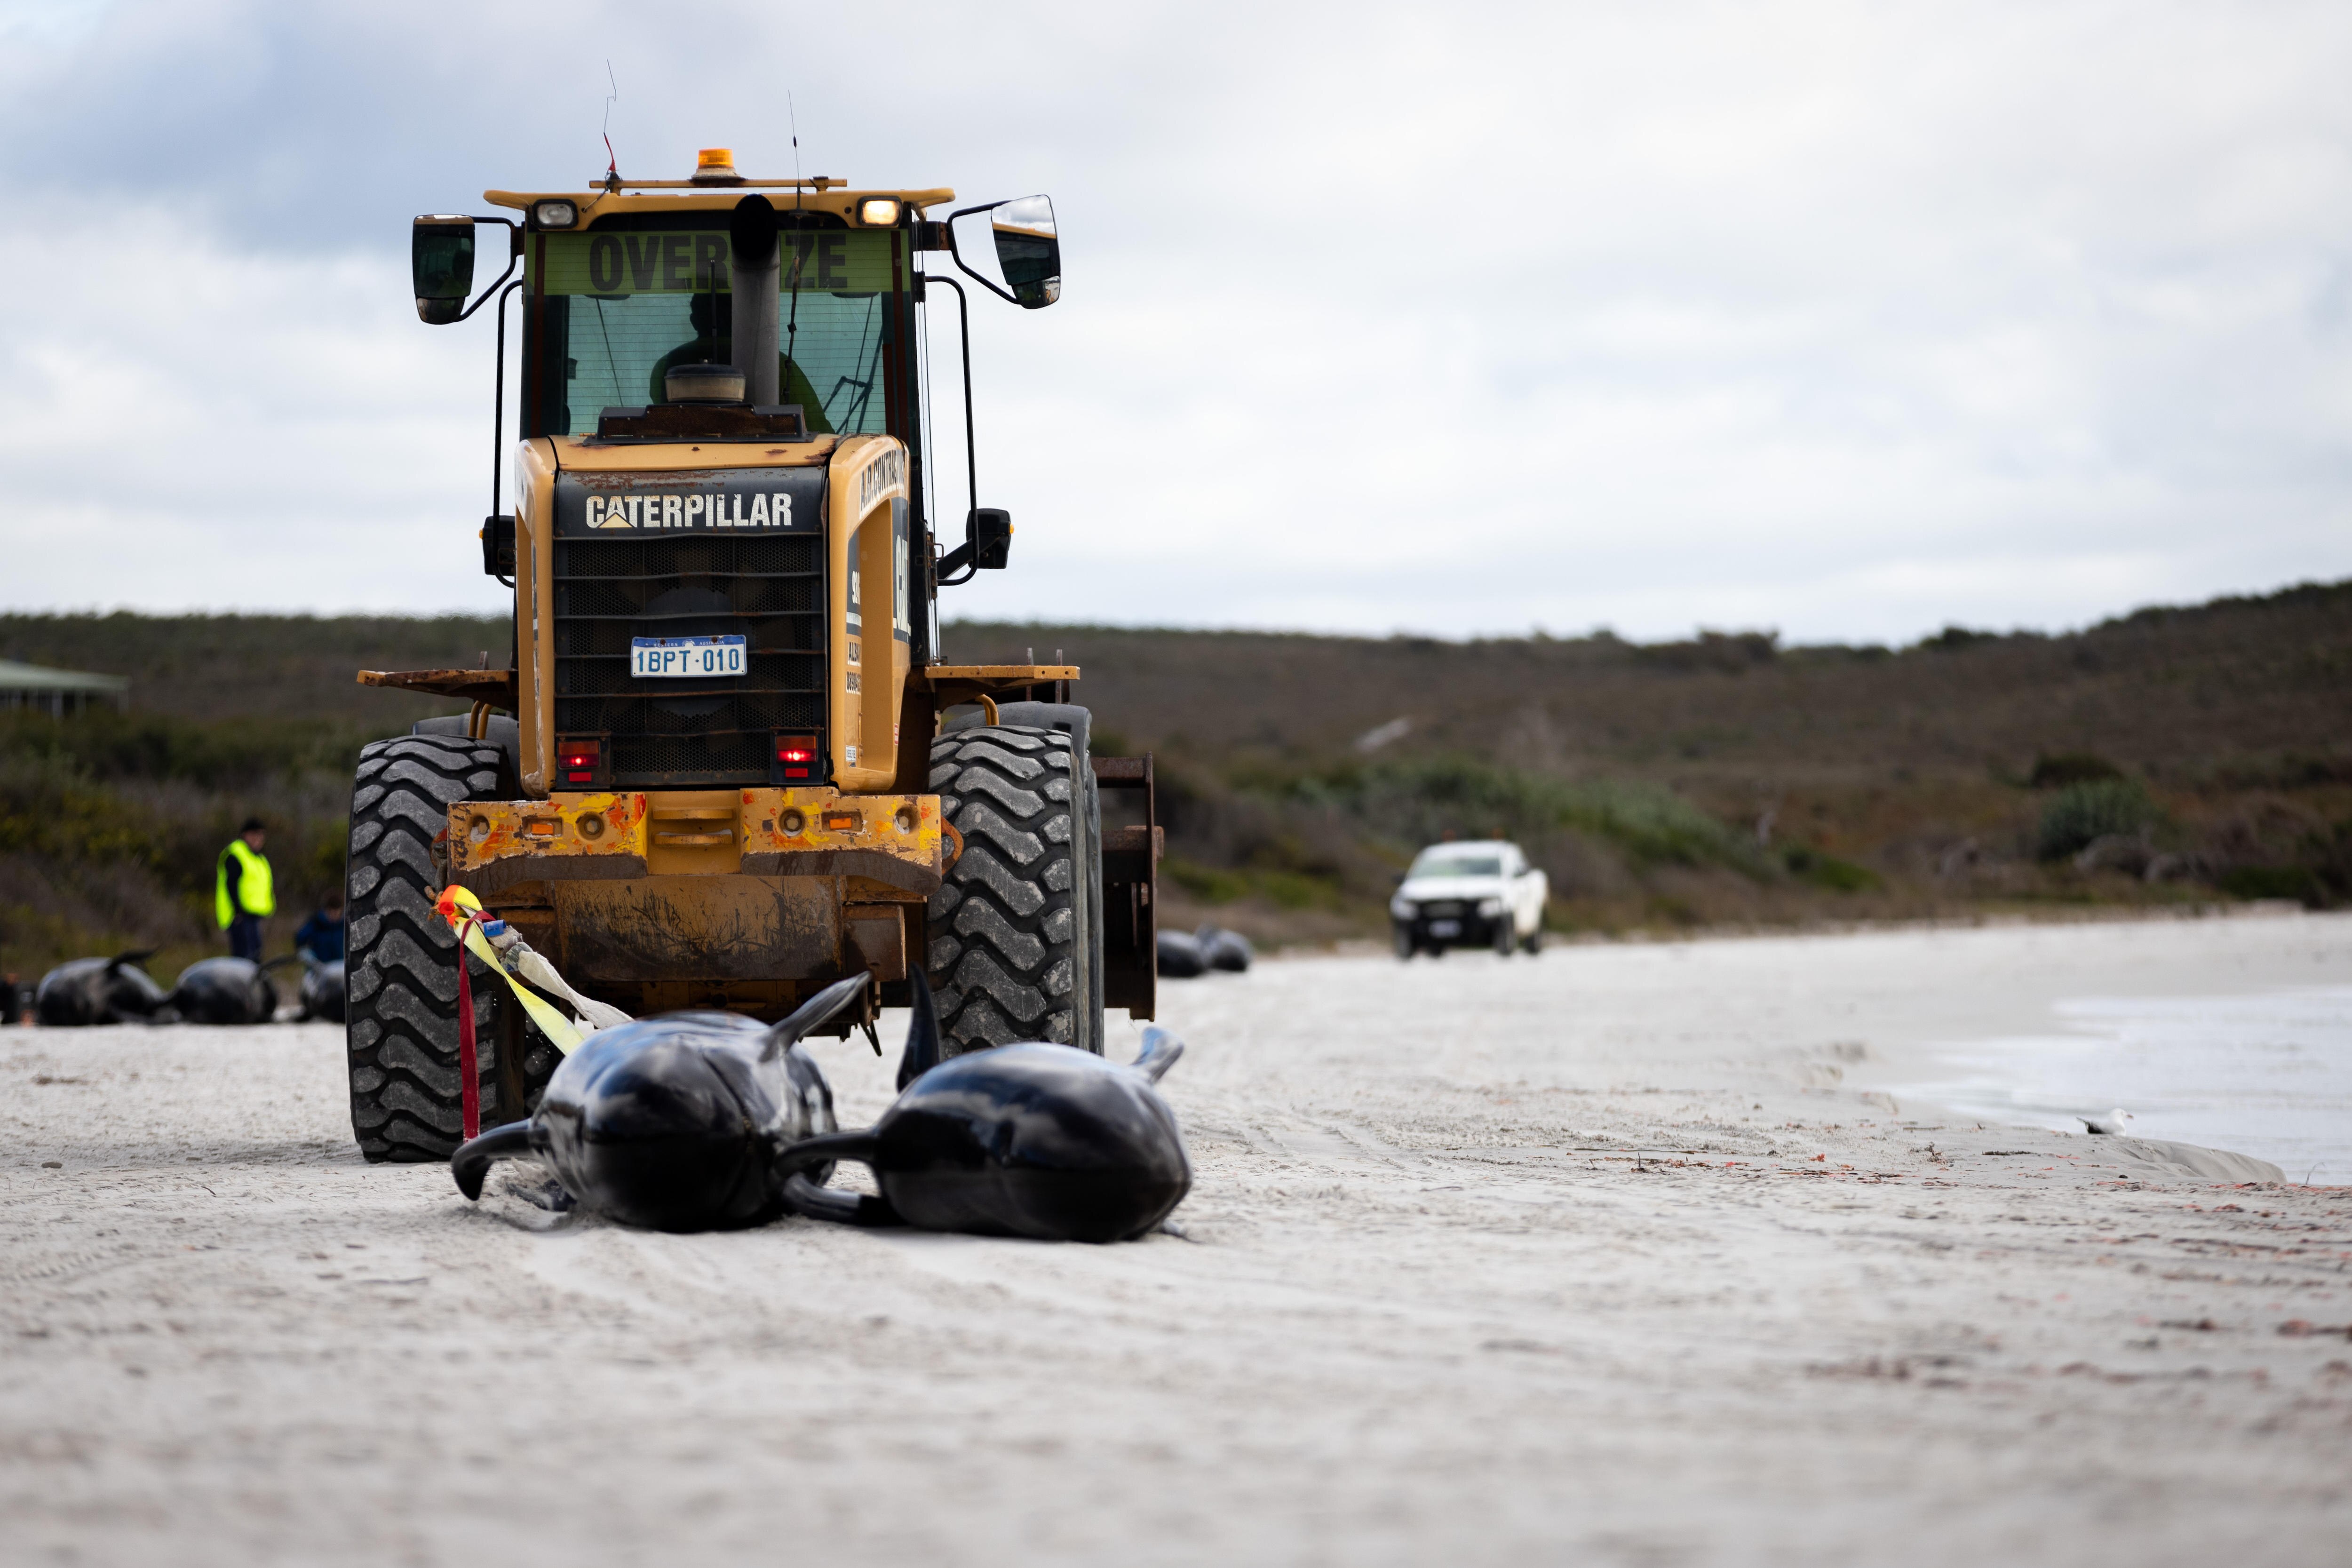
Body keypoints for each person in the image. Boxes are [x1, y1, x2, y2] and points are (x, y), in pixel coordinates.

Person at [215, 817, 275, 962]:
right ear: (245, 835)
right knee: (244, 959)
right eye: (255, 835)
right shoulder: (236, 854)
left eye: (261, 836)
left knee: (256, 957)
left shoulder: (258, 858)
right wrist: (238, 911)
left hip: (254, 916)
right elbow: (231, 884)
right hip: (240, 917)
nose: (259, 839)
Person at [293, 892, 346, 963]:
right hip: (320, 966)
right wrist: (305, 953)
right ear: (326, 910)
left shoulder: (345, 924)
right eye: (331, 913)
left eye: (336, 913)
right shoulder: (316, 922)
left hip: (340, 966)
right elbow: (300, 937)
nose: (334, 916)